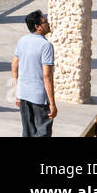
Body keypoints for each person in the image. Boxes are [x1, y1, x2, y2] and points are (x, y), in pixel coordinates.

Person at [12, 9, 57, 137]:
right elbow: (47, 76)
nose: (48, 24)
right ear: (37, 27)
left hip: (23, 95)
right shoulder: (45, 45)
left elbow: (14, 66)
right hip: (39, 97)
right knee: (43, 132)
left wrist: (17, 92)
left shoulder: (22, 40)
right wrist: (52, 103)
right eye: (45, 22)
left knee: (27, 132)